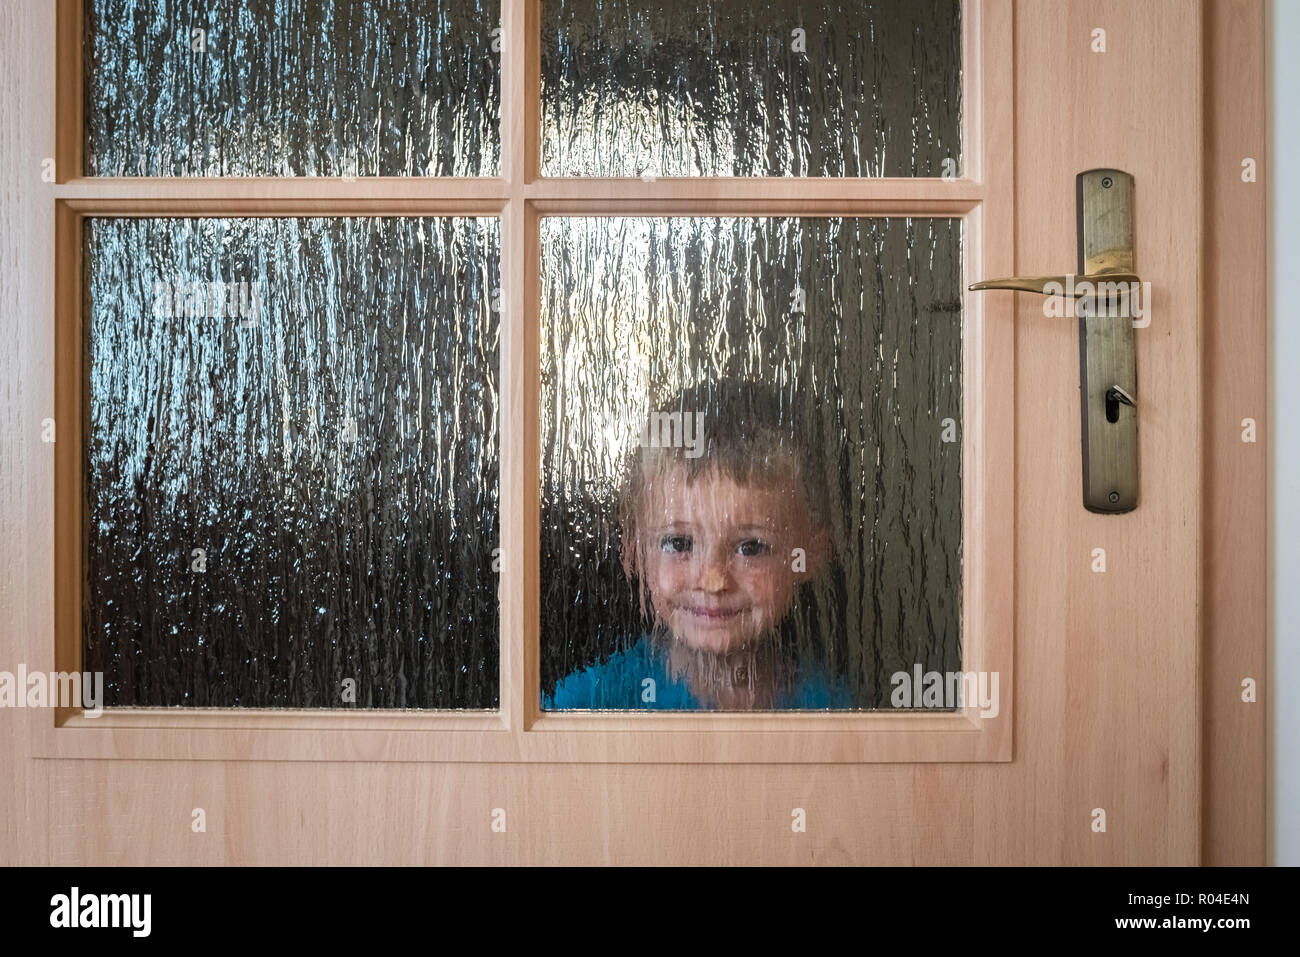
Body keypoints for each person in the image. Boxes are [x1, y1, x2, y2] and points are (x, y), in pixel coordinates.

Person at [544, 379, 854, 710]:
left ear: (810, 556)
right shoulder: (584, 709)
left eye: (751, 548)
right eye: (679, 543)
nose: (713, 580)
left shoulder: (840, 715)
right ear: (632, 548)